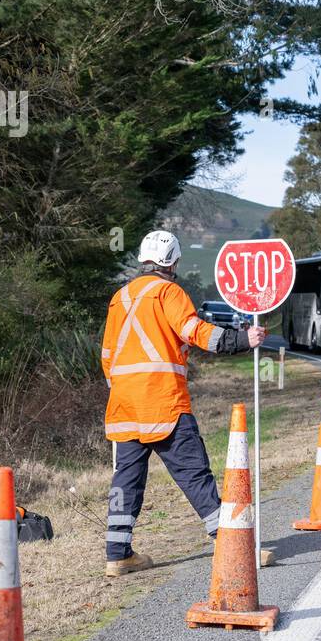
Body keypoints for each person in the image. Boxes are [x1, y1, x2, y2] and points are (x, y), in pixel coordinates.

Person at [100, 230, 266, 576]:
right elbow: (196, 332)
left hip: (124, 404)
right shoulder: (168, 292)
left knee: (125, 479)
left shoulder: (120, 297)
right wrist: (241, 339)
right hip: (163, 402)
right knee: (194, 474)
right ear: (173, 260)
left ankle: (117, 554)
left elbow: (107, 355)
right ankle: (232, 545)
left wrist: (122, 388)